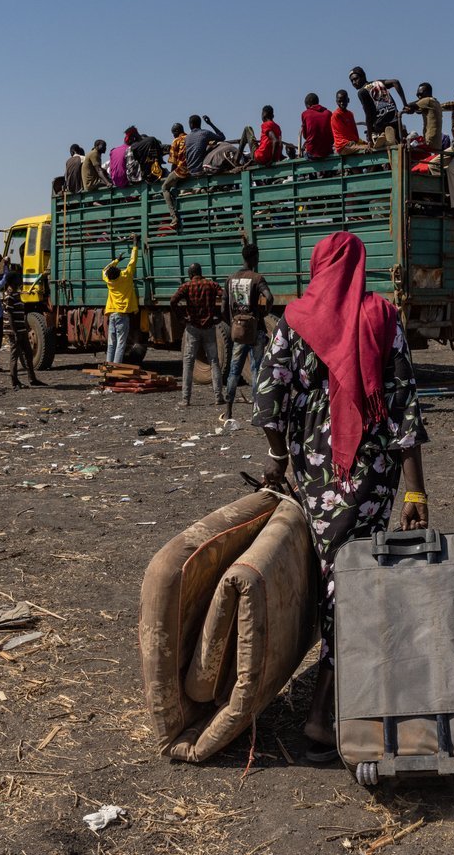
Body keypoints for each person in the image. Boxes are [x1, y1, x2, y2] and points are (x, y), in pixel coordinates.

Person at [253, 230, 428, 761]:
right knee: (352, 585)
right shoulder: (382, 317)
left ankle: (334, 704)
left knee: (335, 580)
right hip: (371, 478)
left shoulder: (294, 320)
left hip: (314, 478)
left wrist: (279, 458)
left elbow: (267, 397)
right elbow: (403, 405)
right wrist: (415, 491)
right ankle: (322, 716)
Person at [223, 242, 275, 419]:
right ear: (254, 258)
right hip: (255, 330)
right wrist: (263, 313)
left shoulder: (231, 279)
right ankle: (256, 410)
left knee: (233, 371)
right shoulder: (257, 278)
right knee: (256, 370)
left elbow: (223, 307)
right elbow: (269, 297)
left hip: (238, 329)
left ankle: (229, 410)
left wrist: (232, 323)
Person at [170, 261, 224, 407]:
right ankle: (218, 397)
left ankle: (185, 399)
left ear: (191, 274)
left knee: (189, 362)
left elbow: (173, 301)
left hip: (192, 327)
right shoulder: (211, 285)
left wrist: (181, 317)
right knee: (214, 361)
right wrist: (221, 315)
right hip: (209, 327)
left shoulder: (186, 286)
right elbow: (225, 296)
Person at [3, 263, 45, 387]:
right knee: (14, 356)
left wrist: (25, 327)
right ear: (12, 282)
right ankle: (14, 381)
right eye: (17, 279)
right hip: (14, 331)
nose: (19, 281)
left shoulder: (17, 294)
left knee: (28, 354)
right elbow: (10, 315)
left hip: (21, 329)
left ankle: (32, 379)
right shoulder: (9, 296)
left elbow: (19, 313)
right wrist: (15, 332)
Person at [347, 67, 406, 147]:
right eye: (352, 81)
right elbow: (395, 82)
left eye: (356, 79)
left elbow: (368, 115)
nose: (354, 82)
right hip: (395, 120)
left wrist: (370, 139)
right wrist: (405, 104)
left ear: (363, 76)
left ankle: (382, 137)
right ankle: (389, 138)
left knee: (373, 132)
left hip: (380, 124)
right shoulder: (378, 83)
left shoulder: (362, 92)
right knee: (399, 145)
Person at [103, 235, 139, 364]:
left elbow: (105, 270)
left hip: (112, 314)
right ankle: (116, 367)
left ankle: (108, 366)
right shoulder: (126, 277)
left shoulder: (108, 281)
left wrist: (116, 260)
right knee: (121, 343)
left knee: (111, 343)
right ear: (119, 273)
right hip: (122, 315)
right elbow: (132, 261)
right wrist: (135, 244)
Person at [160, 123, 189, 225]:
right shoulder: (189, 137)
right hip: (192, 169)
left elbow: (173, 162)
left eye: (173, 133)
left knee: (164, 187)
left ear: (176, 131)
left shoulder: (176, 141)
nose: (173, 135)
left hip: (182, 170)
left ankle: (173, 216)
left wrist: (171, 175)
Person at [404, 82, 443, 153]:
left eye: (421, 94)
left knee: (406, 149)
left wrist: (410, 108)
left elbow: (408, 105)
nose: (419, 96)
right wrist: (414, 109)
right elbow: (418, 111)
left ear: (427, 92)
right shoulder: (435, 102)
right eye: (417, 95)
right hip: (437, 143)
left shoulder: (427, 100)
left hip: (429, 141)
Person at [331, 90, 370, 155]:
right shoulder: (336, 115)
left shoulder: (350, 114)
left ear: (348, 100)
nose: (342, 103)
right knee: (366, 147)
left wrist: (360, 141)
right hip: (343, 146)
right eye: (339, 101)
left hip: (352, 143)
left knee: (369, 145)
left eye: (344, 101)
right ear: (336, 102)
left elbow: (354, 131)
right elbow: (345, 134)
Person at [300, 93, 333, 160]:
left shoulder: (305, 114)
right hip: (328, 151)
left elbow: (305, 136)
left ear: (308, 105)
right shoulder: (329, 113)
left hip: (312, 152)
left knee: (302, 154)